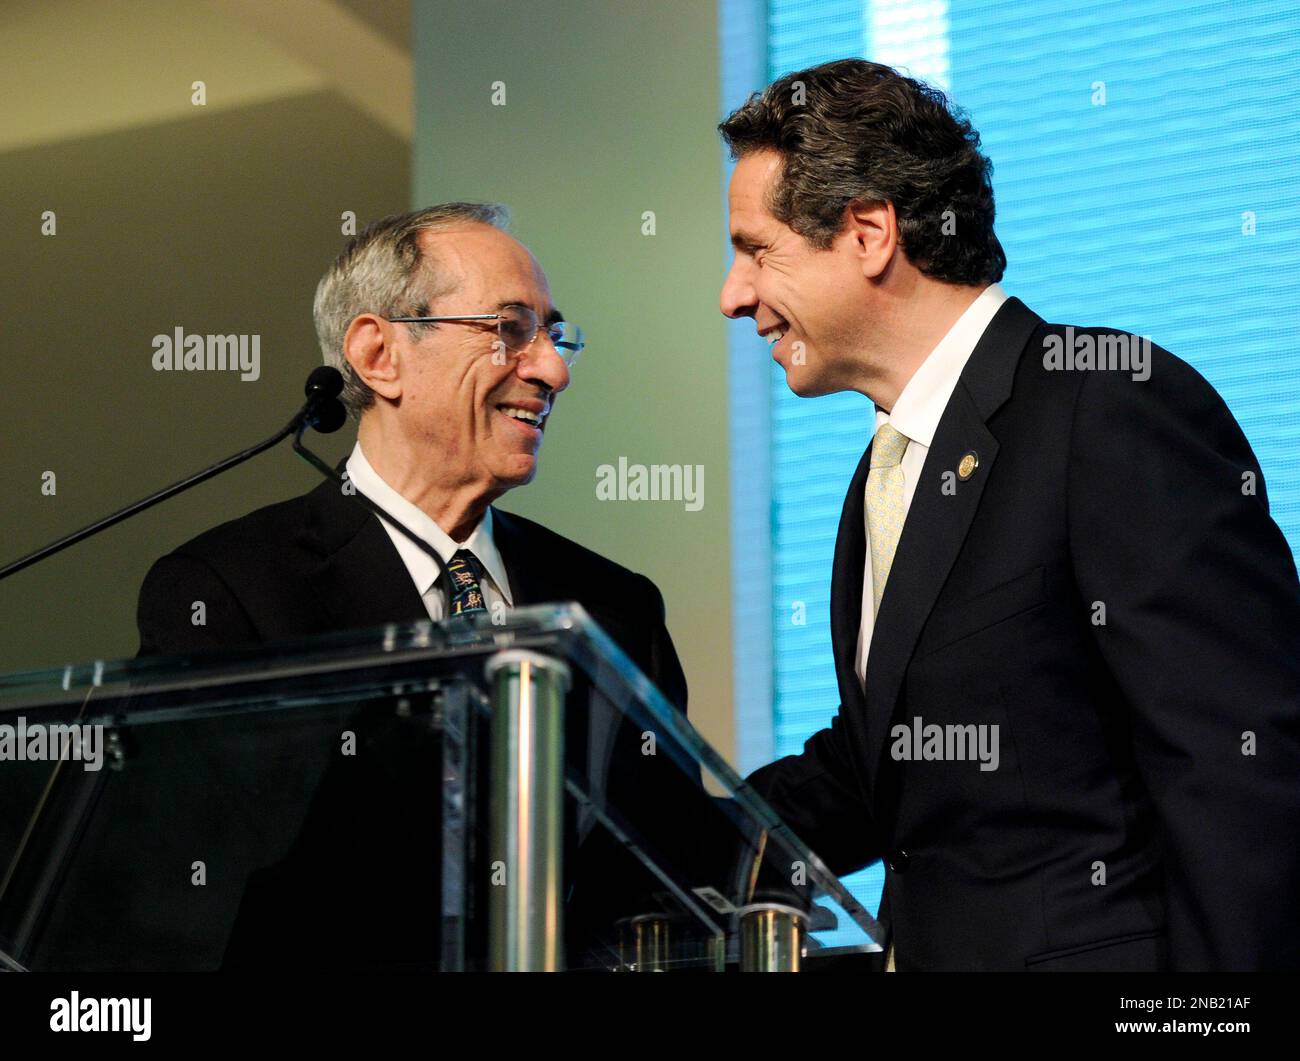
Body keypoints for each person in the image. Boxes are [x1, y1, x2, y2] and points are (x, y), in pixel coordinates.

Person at [719, 59, 1300, 971]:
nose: (734, 295)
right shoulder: (883, 469)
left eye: (756, 250)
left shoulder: (1106, 404)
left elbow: (1236, 766)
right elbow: (890, 764)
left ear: (869, 232)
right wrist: (646, 827)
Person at [135, 203, 694, 968]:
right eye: (510, 328)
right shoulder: (228, 591)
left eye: (554, 335)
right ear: (378, 353)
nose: (552, 368)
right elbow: (189, 896)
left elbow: (675, 881)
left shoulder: (616, 607)